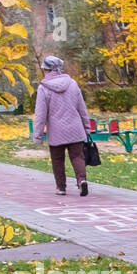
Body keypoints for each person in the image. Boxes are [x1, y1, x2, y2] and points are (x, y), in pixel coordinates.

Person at [32, 55, 92, 196]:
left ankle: (61, 187)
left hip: (56, 131)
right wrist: (87, 126)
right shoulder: (72, 83)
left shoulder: (43, 88)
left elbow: (40, 114)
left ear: (47, 70)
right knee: (77, 156)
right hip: (75, 128)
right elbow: (82, 108)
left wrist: (38, 136)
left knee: (58, 159)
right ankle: (81, 180)